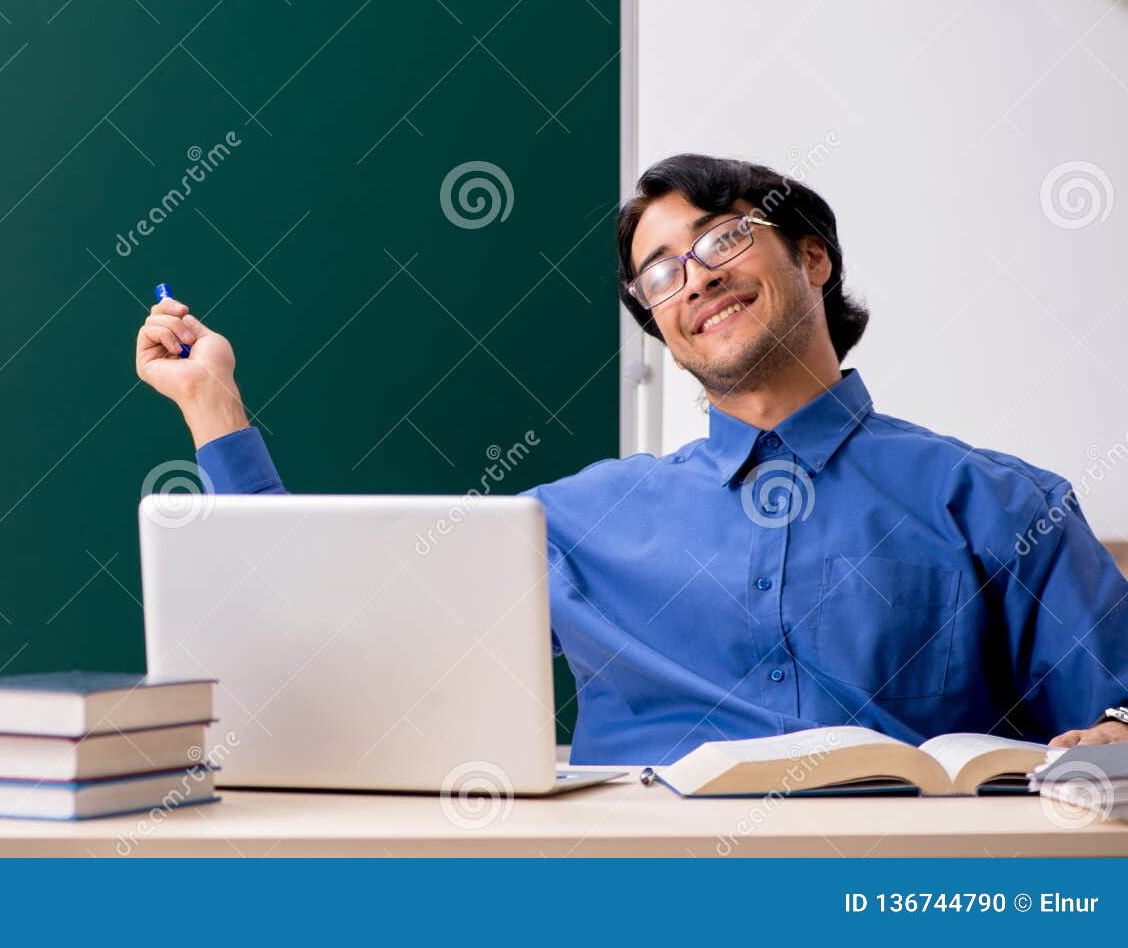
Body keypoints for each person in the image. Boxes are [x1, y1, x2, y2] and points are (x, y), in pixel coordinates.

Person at [134, 153, 1128, 763]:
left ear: (810, 259)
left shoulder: (1001, 503)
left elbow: (1115, 717)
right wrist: (215, 408)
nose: (693, 278)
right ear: (656, 320)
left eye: (723, 238)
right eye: (659, 271)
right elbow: (330, 622)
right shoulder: (564, 522)